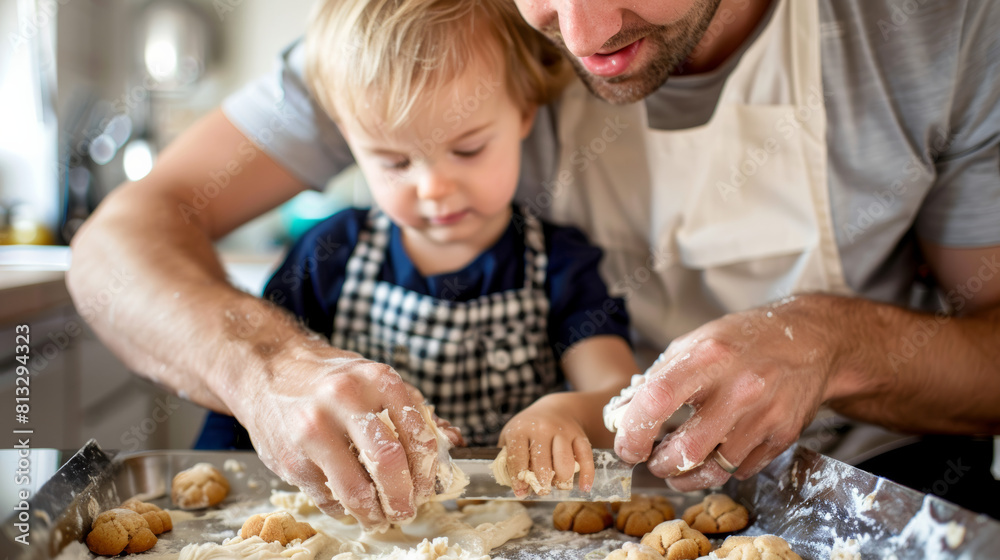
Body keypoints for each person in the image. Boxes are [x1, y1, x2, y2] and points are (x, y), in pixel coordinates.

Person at [67, 0, 1000, 525]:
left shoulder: (934, 29)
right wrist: (266, 373)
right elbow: (118, 245)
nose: (584, 33)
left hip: (861, 494)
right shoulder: (432, 30)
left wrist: (837, 344)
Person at [192, 0, 638, 506]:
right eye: (395, 161)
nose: (433, 189)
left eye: (467, 150)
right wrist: (214, 488)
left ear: (524, 110)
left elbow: (617, 397)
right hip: (359, 527)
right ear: (350, 145)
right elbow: (252, 401)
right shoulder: (328, 256)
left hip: (513, 526)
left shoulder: (560, 262)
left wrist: (565, 414)